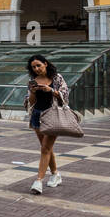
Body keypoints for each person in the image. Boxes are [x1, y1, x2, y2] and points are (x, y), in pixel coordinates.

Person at [25, 54, 67, 195]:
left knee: (45, 149)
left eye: (39, 65)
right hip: (37, 116)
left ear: (46, 64)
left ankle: (38, 181)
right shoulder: (32, 81)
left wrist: (51, 91)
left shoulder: (57, 78)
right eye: (34, 67)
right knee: (47, 148)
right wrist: (33, 91)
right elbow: (30, 102)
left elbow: (65, 96)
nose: (36, 69)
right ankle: (55, 174)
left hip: (53, 115)